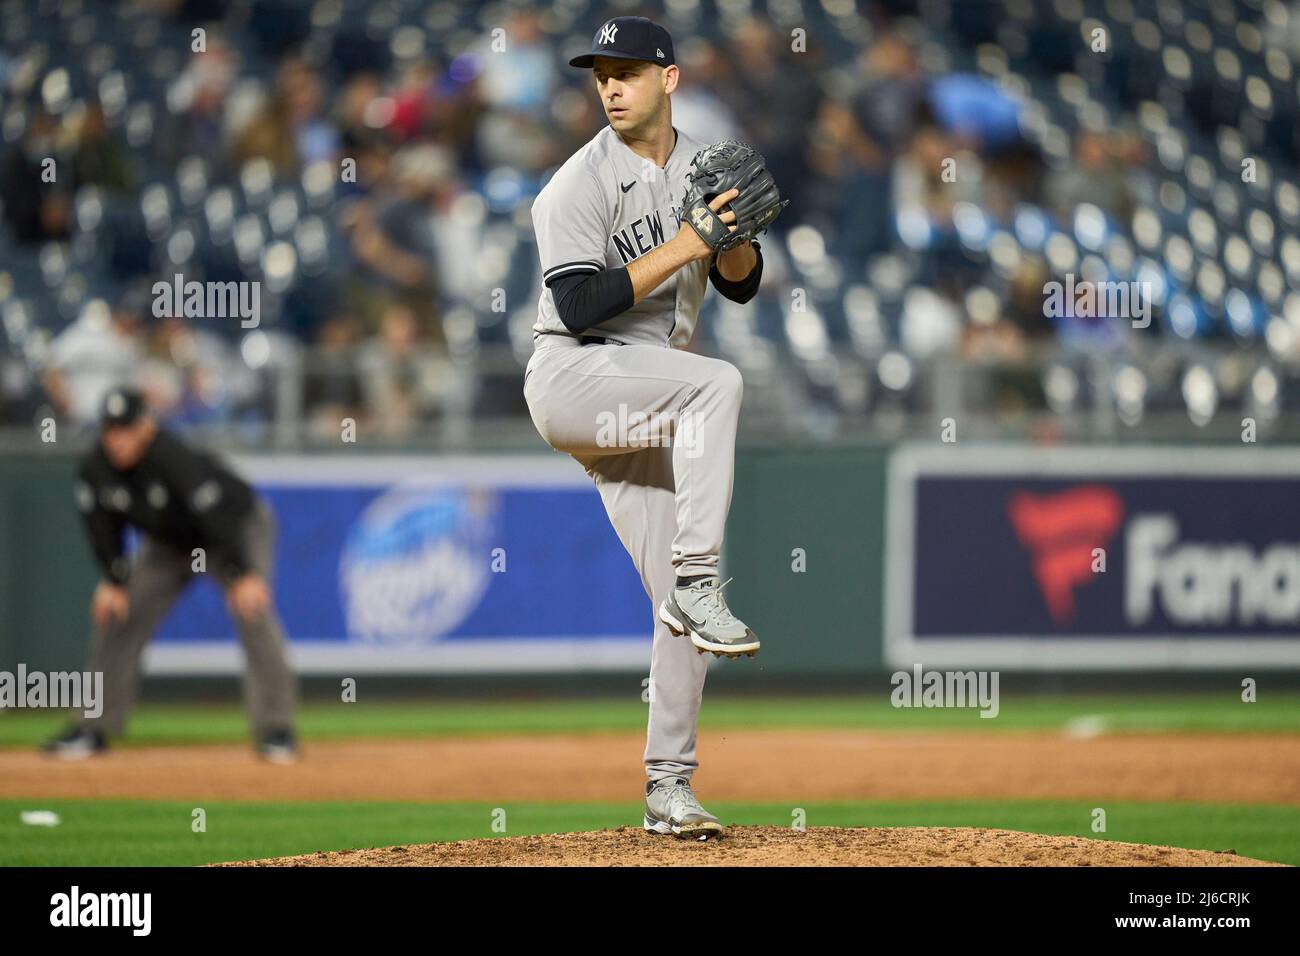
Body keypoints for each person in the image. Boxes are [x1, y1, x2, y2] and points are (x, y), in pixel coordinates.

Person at [523, 17, 763, 840]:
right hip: (575, 377)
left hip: (648, 398)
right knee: (719, 386)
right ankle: (699, 581)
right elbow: (579, 303)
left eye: (628, 71)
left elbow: (738, 285)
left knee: (678, 613)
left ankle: (670, 788)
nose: (612, 86)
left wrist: (730, 243)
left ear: (670, 78)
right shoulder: (575, 185)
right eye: (602, 75)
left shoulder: (703, 164)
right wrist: (691, 239)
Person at [42, 388, 299, 762]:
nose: (118, 439)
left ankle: (277, 729)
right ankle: (92, 727)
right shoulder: (95, 469)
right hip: (167, 545)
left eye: (126, 429)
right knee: (118, 614)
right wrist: (114, 580)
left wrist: (242, 574)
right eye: (111, 430)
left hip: (234, 530)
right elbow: (102, 527)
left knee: (252, 610)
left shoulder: (171, 457)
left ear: (145, 427)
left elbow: (215, 517)